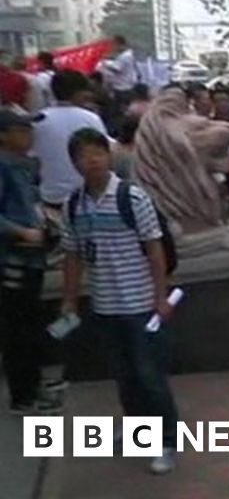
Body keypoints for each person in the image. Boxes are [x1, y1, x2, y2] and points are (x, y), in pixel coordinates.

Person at [60, 128, 179, 475]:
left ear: (108, 156)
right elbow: (72, 256)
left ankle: (167, 440)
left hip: (140, 304)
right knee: (124, 375)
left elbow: (154, 248)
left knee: (150, 374)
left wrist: (160, 296)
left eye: (97, 152)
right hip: (105, 305)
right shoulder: (73, 205)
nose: (92, 160)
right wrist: (69, 299)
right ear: (74, 163)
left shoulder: (132, 197)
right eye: (83, 155)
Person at [0, 108, 61, 415]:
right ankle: (23, 395)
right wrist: (21, 232)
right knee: (18, 329)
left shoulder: (23, 166)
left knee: (31, 323)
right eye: (21, 130)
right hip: (13, 261)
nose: (29, 136)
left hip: (32, 257)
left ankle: (34, 382)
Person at [32, 70, 109, 211]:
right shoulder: (91, 118)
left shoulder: (38, 120)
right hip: (86, 197)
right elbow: (106, 152)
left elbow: (32, 157)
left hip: (51, 196)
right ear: (79, 93)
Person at [100, 35, 139, 111]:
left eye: (113, 45)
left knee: (121, 108)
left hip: (123, 87)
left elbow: (116, 68)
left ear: (119, 44)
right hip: (124, 85)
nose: (112, 47)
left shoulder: (125, 56)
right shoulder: (126, 55)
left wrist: (104, 63)